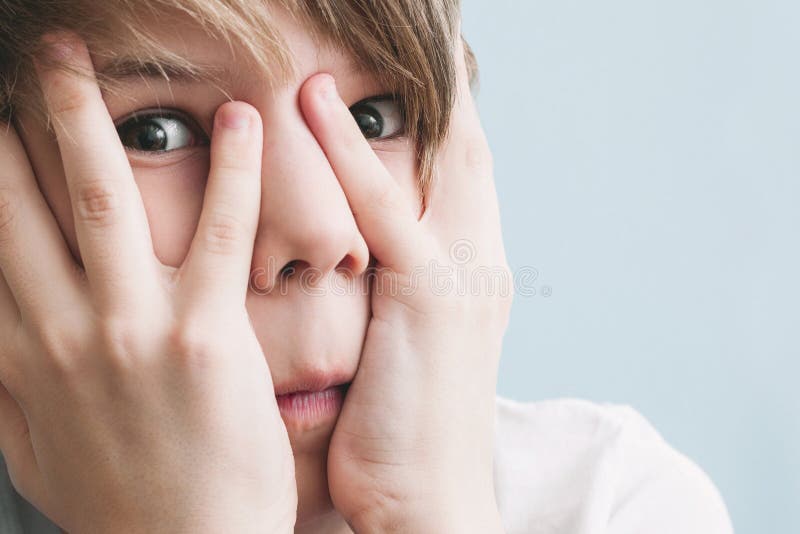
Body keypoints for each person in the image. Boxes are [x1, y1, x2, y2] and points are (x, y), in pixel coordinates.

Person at [0, 1, 733, 533]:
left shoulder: (612, 502)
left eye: (373, 117)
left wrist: (432, 515)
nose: (320, 233)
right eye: (157, 131)